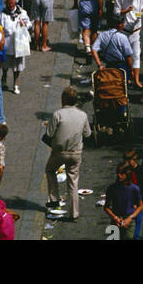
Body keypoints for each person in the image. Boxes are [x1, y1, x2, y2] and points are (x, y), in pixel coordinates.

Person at [44, 87, 91, 222]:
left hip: (59, 152)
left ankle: (54, 199)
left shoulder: (58, 114)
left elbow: (49, 134)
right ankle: (74, 213)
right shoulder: (83, 115)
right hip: (76, 153)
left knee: (50, 170)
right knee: (73, 182)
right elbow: (88, 134)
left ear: (63, 99)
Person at [103, 161, 143, 240]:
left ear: (128, 174)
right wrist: (115, 218)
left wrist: (130, 218)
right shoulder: (112, 188)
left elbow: (140, 206)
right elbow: (106, 207)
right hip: (116, 219)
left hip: (129, 220)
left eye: (122, 173)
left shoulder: (134, 189)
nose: (119, 175)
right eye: (118, 173)